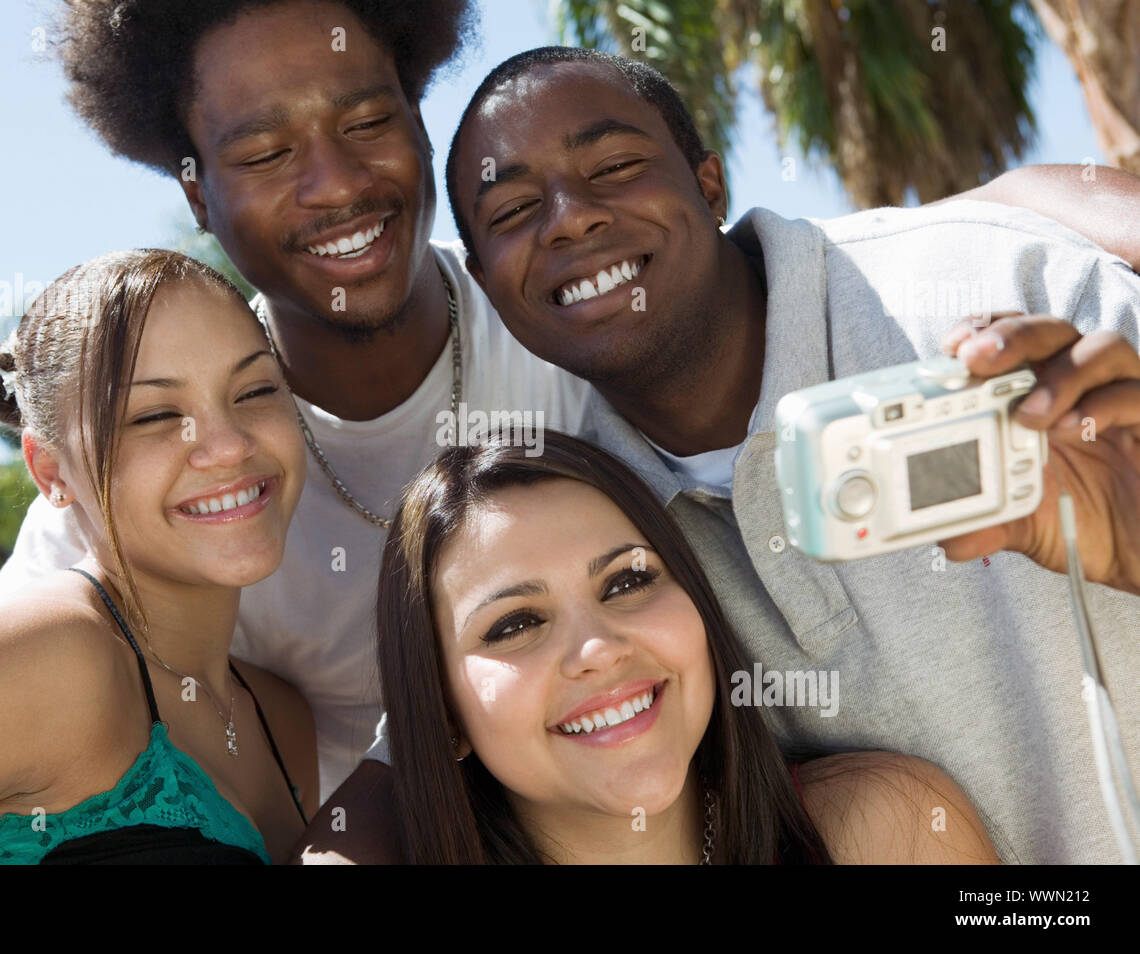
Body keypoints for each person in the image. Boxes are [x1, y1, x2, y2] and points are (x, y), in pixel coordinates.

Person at [437, 47, 1140, 864]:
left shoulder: (1002, 289)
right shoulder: (592, 531)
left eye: (616, 165)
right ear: (487, 284)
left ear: (709, 185)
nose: (568, 217)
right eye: (514, 209)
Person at [0, 0, 591, 803]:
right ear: (199, 197)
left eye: (369, 121)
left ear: (420, 123)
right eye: (267, 153)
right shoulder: (159, 463)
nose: (336, 184)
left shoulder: (567, 331)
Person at [0, 250, 317, 864]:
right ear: (49, 470)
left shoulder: (286, 722)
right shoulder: (49, 661)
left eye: (254, 390)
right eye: (154, 415)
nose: (227, 445)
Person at [377, 431, 1000, 864]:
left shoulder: (891, 828)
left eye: (627, 581)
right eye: (515, 624)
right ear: (445, 712)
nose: (598, 647)